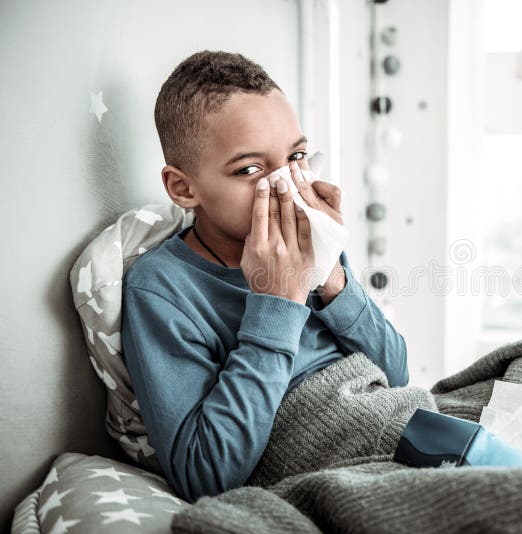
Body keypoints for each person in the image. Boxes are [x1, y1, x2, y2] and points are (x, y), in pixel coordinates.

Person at [120, 50, 409, 503]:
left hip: (397, 420)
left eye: (296, 156)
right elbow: (206, 474)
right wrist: (278, 299)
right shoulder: (162, 288)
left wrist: (331, 274)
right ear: (183, 188)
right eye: (250, 170)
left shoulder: (309, 238)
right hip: (336, 463)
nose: (286, 185)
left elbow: (397, 372)